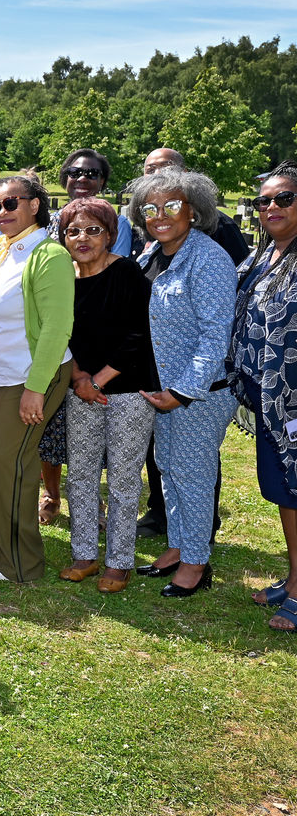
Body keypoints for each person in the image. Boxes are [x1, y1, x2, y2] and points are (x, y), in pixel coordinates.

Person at [129, 168, 237, 597]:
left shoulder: (208, 259)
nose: (161, 215)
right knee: (168, 468)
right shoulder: (151, 254)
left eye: (172, 206)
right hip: (162, 391)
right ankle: (178, 546)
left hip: (198, 394)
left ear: (193, 210)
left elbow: (216, 336)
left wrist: (181, 392)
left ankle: (196, 562)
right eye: (151, 208)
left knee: (192, 474)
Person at [0, 174, 74, 582]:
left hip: (28, 377)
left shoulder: (49, 255)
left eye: (11, 204)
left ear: (34, 205)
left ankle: (20, 564)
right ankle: (5, 551)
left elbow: (56, 327)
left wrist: (35, 388)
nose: (1, 212)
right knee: (3, 465)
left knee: (5, 463)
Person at [54, 197, 156, 593]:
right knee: (79, 472)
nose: (82, 238)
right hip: (80, 388)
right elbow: (61, 332)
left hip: (127, 389)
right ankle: (84, 555)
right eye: (73, 230)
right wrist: (79, 376)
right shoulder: (64, 278)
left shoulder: (127, 273)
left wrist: (97, 382)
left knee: (124, 476)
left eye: (93, 230)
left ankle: (119, 561)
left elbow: (138, 336)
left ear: (111, 235)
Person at [36, 149, 134, 524]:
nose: (82, 178)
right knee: (50, 426)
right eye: (74, 172)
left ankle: (95, 501)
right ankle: (51, 493)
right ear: (64, 179)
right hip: (58, 336)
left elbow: (104, 276)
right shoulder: (51, 223)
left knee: (96, 433)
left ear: (103, 181)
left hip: (101, 343)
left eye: (91, 173)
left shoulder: (115, 223)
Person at [228, 161, 297, 627]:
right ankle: (294, 578)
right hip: (267, 397)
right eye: (263, 200)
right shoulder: (264, 253)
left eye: (284, 198)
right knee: (282, 491)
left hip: (292, 399)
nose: (271, 206)